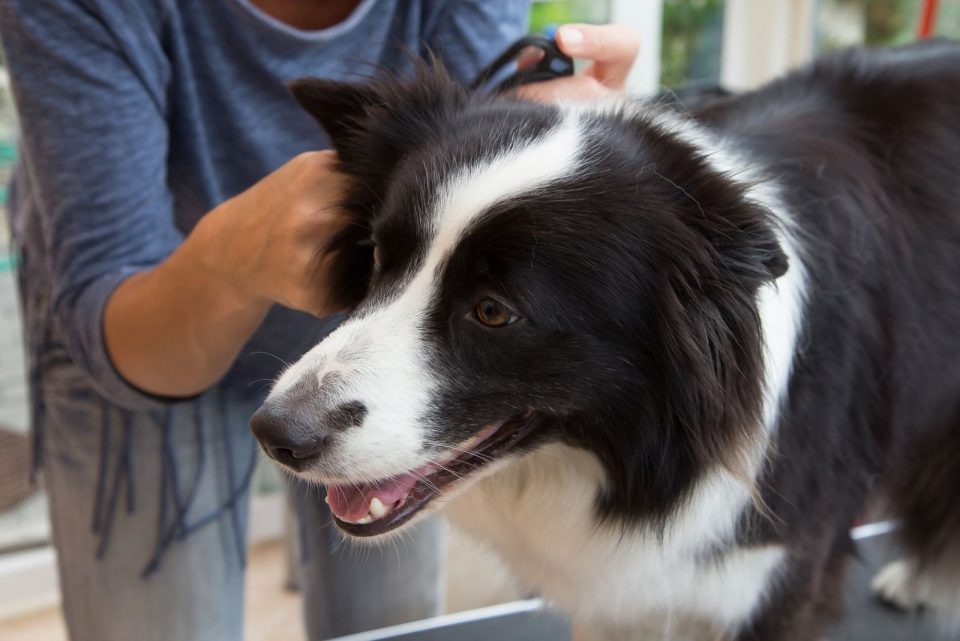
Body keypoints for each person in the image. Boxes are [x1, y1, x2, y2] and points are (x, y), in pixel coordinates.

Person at [0, 1, 639, 639]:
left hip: (370, 308)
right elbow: (120, 304)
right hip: (140, 319)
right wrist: (231, 257)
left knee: (388, 618)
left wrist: (571, 146)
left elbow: (484, 182)